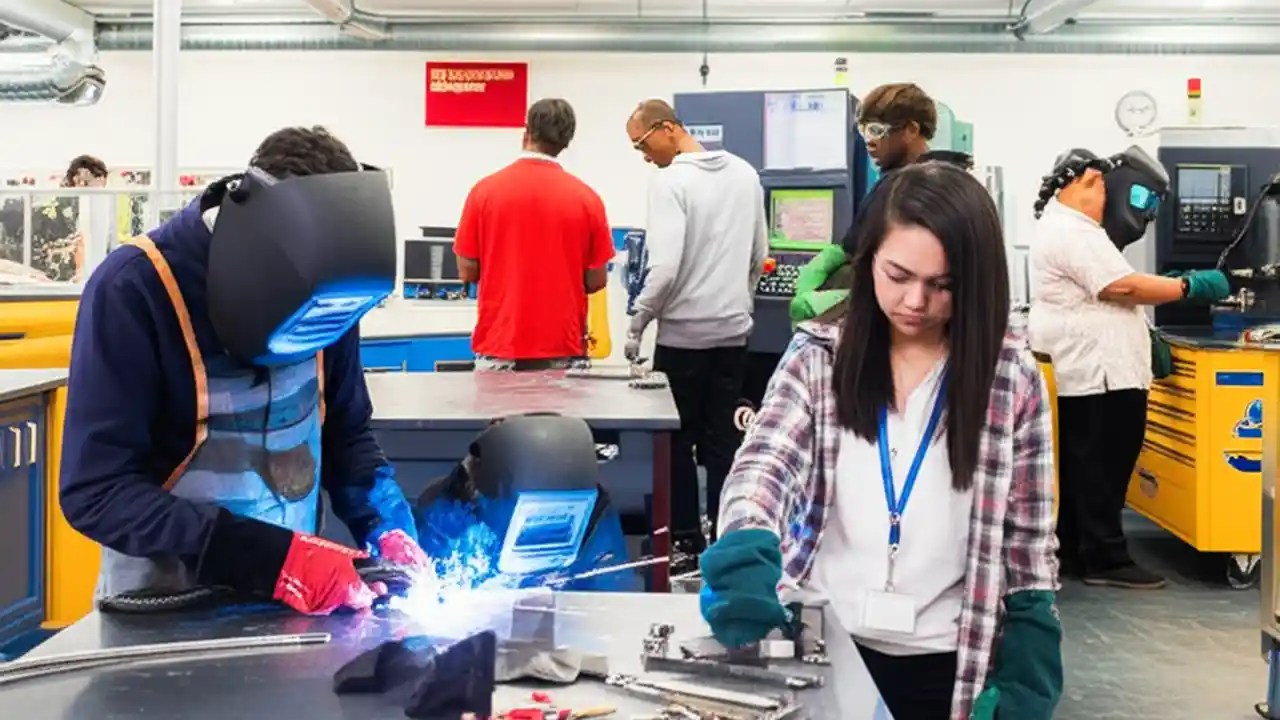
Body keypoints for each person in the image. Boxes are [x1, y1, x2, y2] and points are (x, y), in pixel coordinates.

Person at [698, 162, 1062, 720]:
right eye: (898, 275)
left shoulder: (1009, 376)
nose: (915, 301)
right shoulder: (820, 358)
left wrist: (1031, 651)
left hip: (948, 661)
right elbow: (766, 466)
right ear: (868, 260)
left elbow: (1028, 538)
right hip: (825, 646)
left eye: (943, 286)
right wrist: (747, 545)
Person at [59, 126, 427, 617]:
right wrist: (266, 557)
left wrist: (385, 524)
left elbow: (344, 430)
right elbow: (96, 490)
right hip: (163, 607)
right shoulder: (134, 290)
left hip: (296, 602)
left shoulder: (331, 284)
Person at [1029, 146, 1230, 589]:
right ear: (1090, 182)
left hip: (1091, 371)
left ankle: (1080, 551)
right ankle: (1107, 559)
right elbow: (1119, 286)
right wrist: (1188, 286)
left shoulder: (1073, 230)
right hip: (1096, 377)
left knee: (1085, 467)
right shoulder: (1073, 230)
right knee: (1103, 464)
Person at [623, 98, 769, 559]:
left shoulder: (670, 183)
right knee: (724, 443)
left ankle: (684, 542)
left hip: (682, 338)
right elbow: (758, 255)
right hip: (732, 336)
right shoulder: (746, 175)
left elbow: (663, 267)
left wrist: (637, 322)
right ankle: (726, 540)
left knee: (677, 444)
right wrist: (737, 305)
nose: (644, 156)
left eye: (642, 144)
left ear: (667, 128)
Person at [789, 82, 974, 326]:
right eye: (864, 130)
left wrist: (834, 306)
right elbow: (856, 247)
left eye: (877, 130)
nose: (869, 141)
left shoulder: (925, 192)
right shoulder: (888, 184)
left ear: (911, 129)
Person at [454, 98, 615, 371]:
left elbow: (467, 271)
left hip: (500, 346)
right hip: (563, 350)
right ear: (566, 142)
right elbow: (596, 281)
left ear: (526, 131)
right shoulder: (587, 199)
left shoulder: (484, 192)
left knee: (498, 414)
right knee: (563, 415)